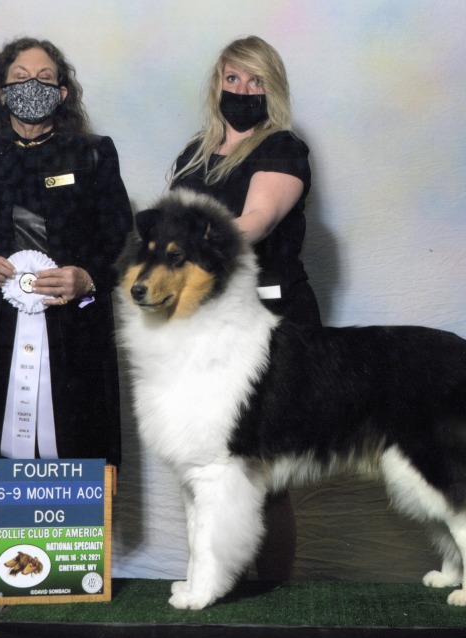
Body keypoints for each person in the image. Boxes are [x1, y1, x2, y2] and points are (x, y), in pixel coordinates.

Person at [0, 37, 132, 490]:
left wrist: (88, 277)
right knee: (2, 457)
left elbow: (121, 241)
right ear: (1, 93)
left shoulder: (94, 154)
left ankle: (81, 537)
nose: (33, 85)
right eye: (21, 77)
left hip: (78, 329)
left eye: (45, 78)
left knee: (82, 449)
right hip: (0, 331)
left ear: (63, 93)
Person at [170, 35, 322, 581]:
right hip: (201, 325)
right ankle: (213, 579)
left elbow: (257, 221)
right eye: (232, 78)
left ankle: (272, 593)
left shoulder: (282, 146)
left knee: (260, 468)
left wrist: (187, 246)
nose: (242, 89)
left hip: (270, 323)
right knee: (207, 464)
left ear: (272, 87)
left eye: (256, 80)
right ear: (217, 83)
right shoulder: (194, 152)